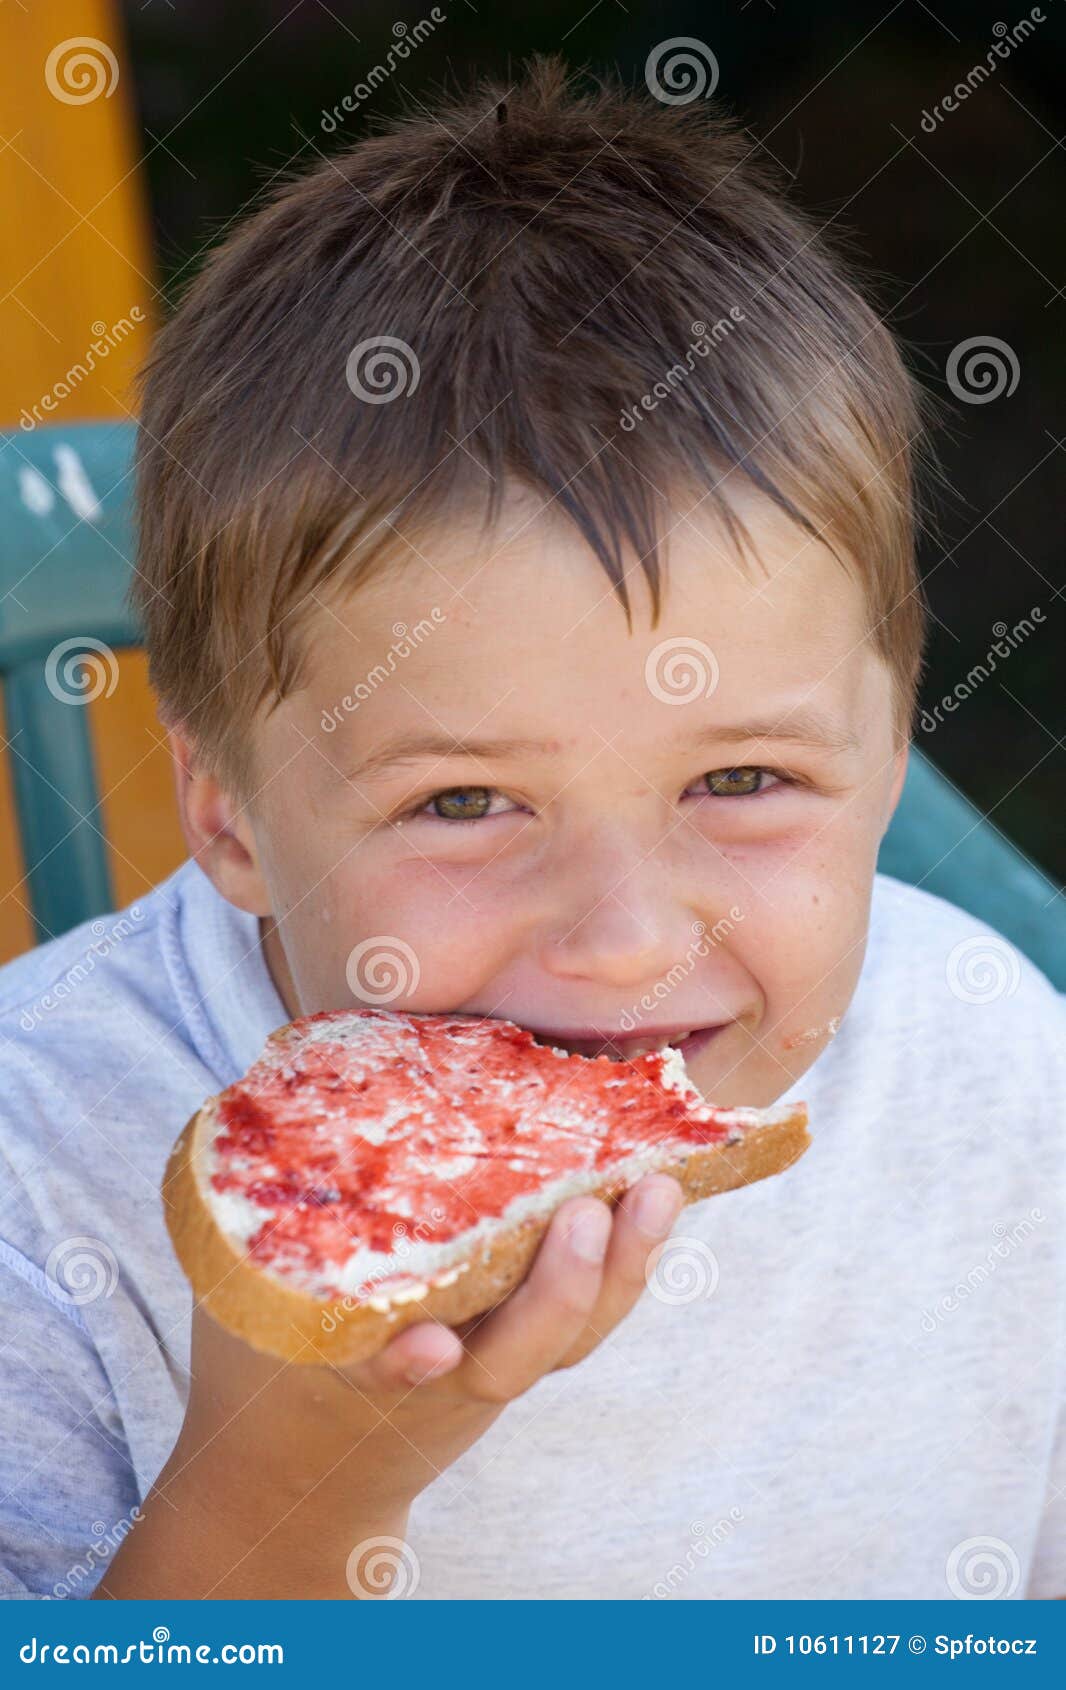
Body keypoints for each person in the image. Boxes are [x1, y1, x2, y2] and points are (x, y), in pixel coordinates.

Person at [1, 56, 1062, 1600]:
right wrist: (290, 1483)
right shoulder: (36, 1171)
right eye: (466, 802)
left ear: (888, 752)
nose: (627, 935)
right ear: (222, 809)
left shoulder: (993, 1066)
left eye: (739, 780)